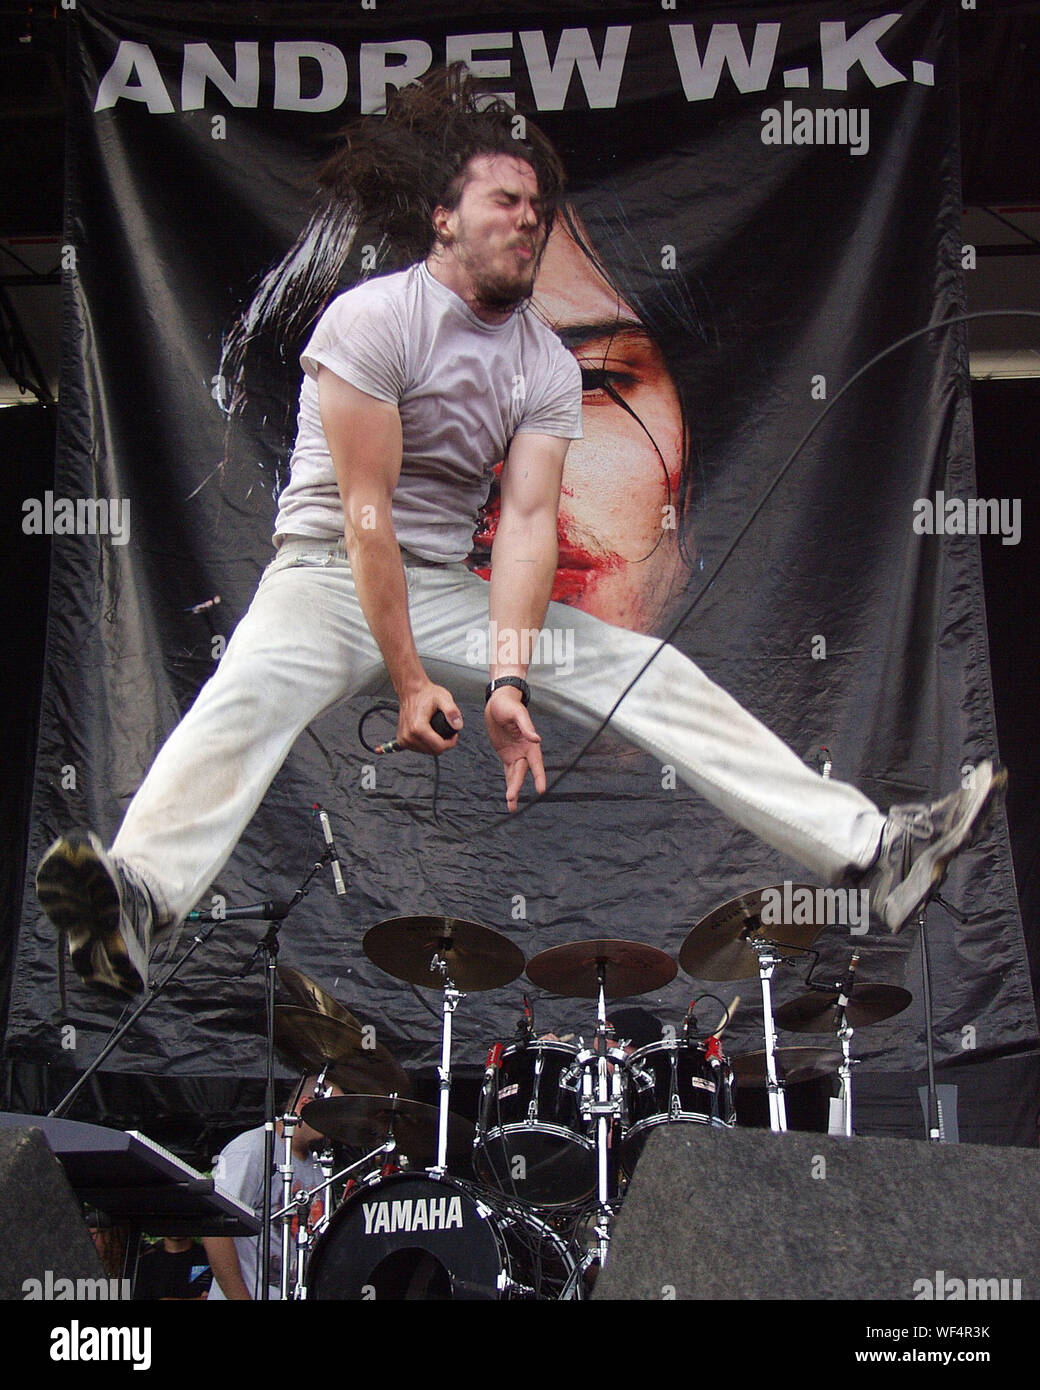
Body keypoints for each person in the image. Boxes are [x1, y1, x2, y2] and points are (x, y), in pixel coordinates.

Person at [34, 66, 1003, 998]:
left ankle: (873, 850)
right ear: (443, 218)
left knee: (646, 671)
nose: (526, 219)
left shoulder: (539, 363)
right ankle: (137, 901)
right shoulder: (371, 320)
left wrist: (504, 678)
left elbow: (530, 524)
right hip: (327, 577)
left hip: (447, 586)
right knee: (241, 698)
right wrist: (409, 680)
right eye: (504, 200)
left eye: (536, 206)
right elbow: (365, 513)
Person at [203, 1079, 339, 1302]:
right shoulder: (253, 1149)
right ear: (305, 1104)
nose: (339, 1125)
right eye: (336, 1114)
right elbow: (215, 1229)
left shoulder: (317, 1165)